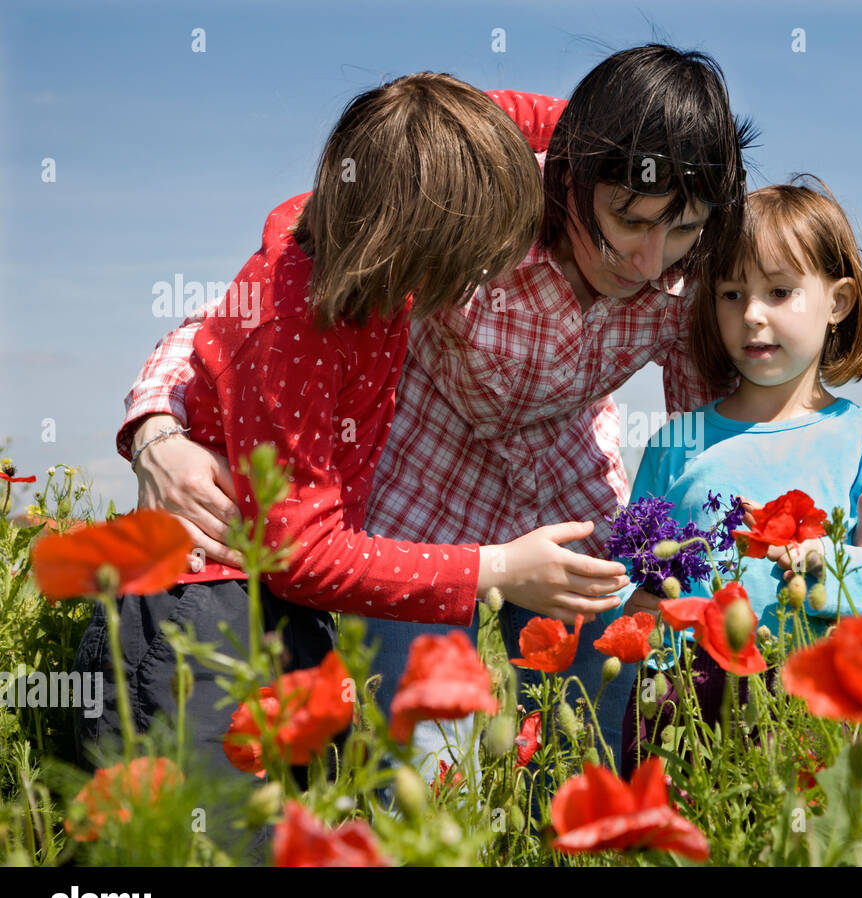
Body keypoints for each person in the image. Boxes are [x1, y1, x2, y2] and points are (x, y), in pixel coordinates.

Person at [117, 46, 755, 776]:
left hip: (567, 484)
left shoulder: (695, 269)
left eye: (681, 230)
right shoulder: (474, 190)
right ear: (571, 175)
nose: (649, 262)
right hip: (418, 480)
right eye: (628, 221)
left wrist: (679, 567)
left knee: (587, 744)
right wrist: (157, 428)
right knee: (417, 757)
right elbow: (279, 281)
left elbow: (705, 449)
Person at [616, 176, 862, 773]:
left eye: (778, 291)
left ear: (838, 303)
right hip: (681, 698)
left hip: (812, 693)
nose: (751, 315)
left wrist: (841, 566)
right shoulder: (677, 442)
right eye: (729, 293)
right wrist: (638, 618)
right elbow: (636, 575)